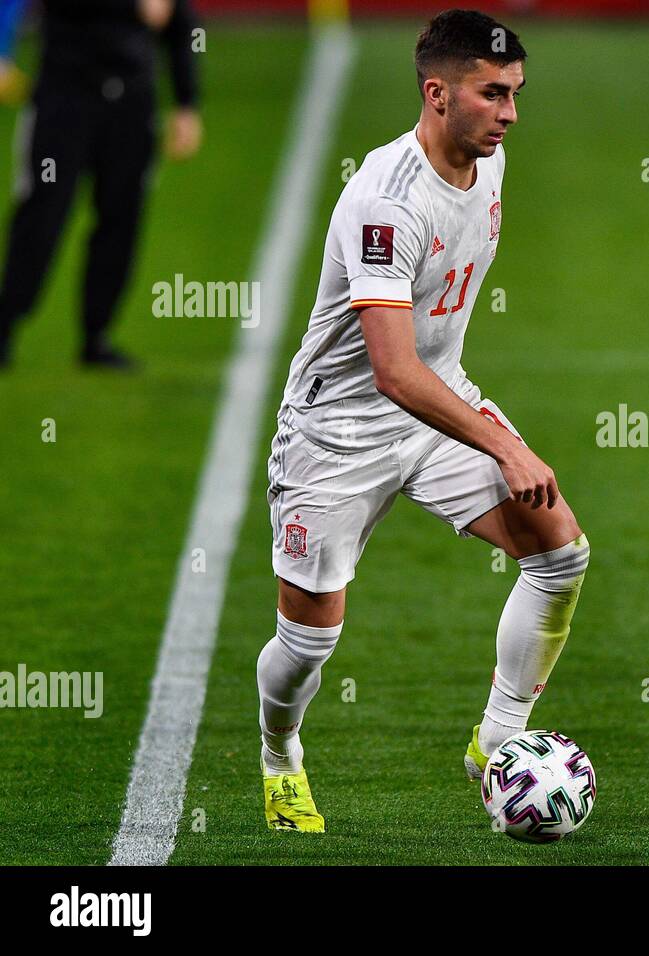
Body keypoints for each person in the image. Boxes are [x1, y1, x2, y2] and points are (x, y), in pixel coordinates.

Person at [258, 9, 588, 833]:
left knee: (560, 553)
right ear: (437, 94)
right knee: (307, 647)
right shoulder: (385, 203)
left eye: (515, 92)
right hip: (337, 434)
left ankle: (497, 744)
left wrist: (488, 431)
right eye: (492, 93)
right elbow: (392, 369)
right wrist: (505, 443)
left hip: (438, 403)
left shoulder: (493, 162)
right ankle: (279, 752)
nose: (510, 112)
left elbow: (424, 370)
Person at [0, 0, 202, 370]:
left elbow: (178, 18)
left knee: (122, 218)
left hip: (131, 100)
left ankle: (97, 334)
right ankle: (5, 324)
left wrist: (187, 101)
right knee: (42, 214)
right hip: (65, 98)